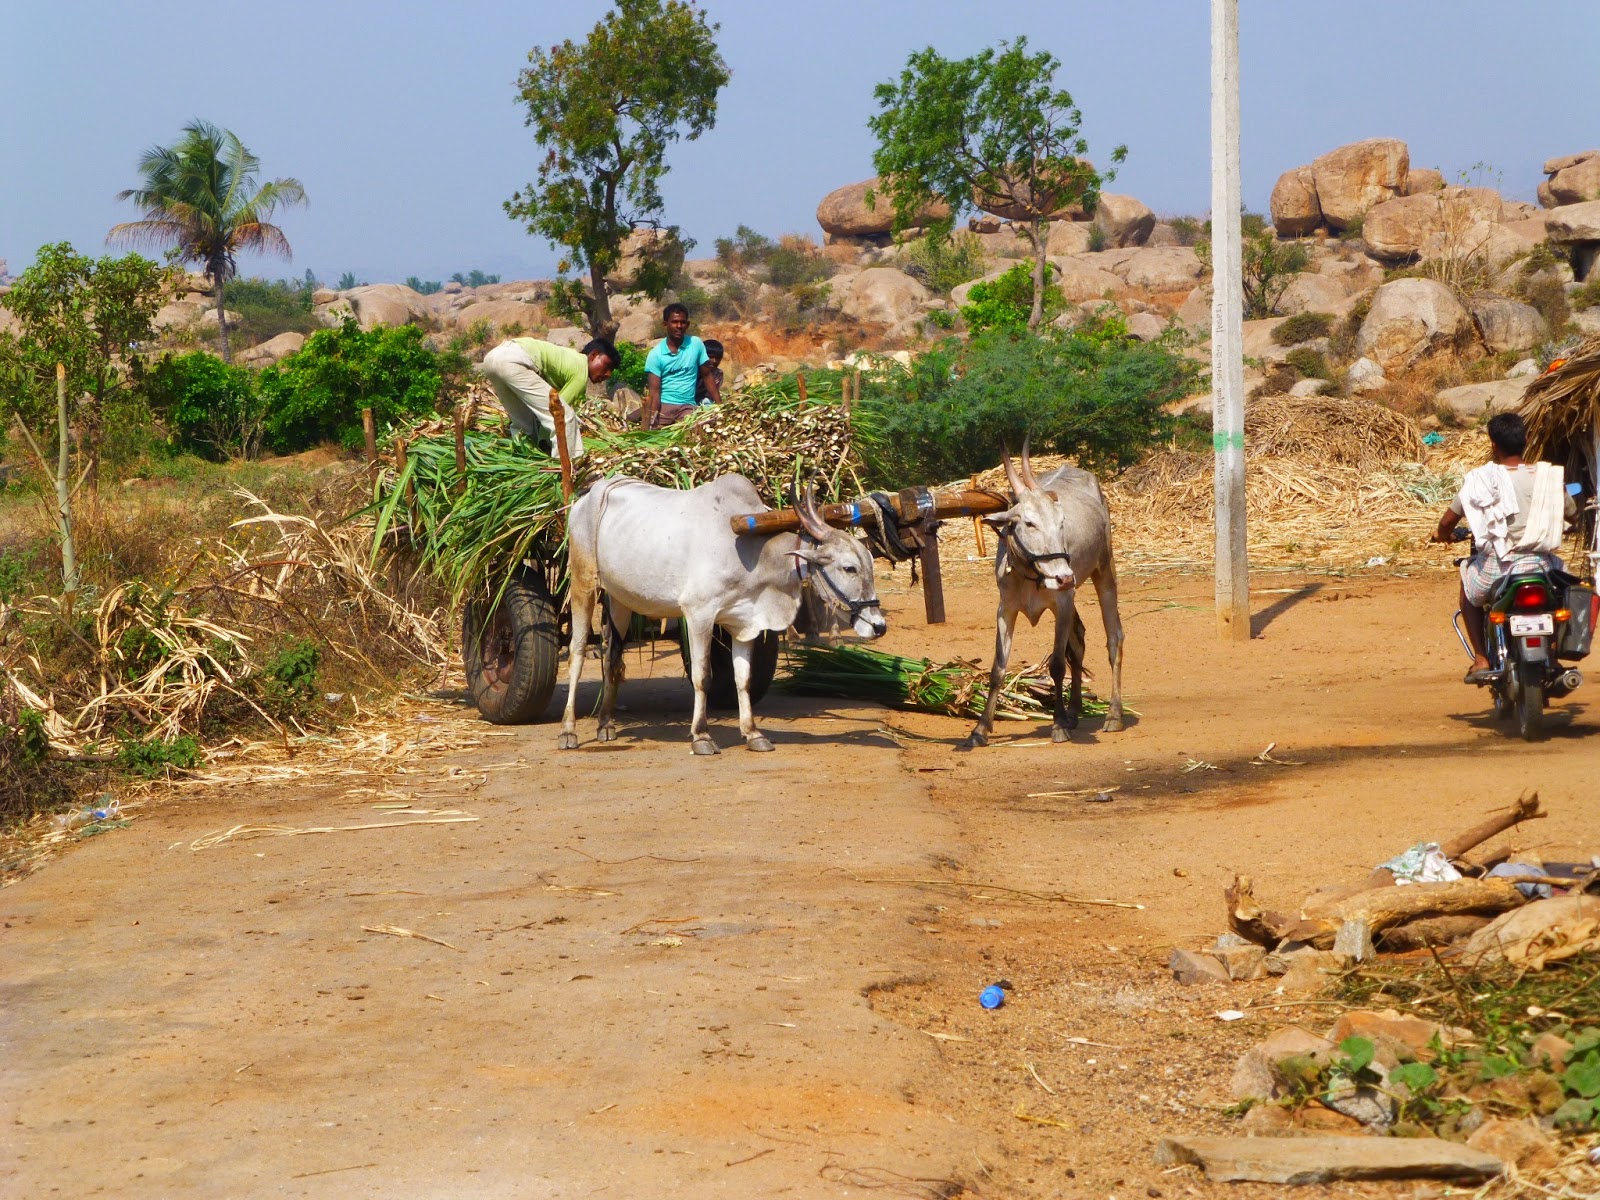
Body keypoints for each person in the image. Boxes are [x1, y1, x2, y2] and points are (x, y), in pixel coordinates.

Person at [1432, 412, 1577, 682]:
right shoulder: (1547, 477)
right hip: (1542, 565)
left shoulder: (1480, 480)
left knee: (1467, 590)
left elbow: (1447, 522)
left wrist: (1442, 536)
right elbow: (1573, 514)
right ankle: (1553, 653)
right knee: (1564, 593)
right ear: (1526, 440)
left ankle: (1481, 658)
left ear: (1494, 445)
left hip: (1498, 567)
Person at [479, 335, 620, 459]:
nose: (608, 374)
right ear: (594, 355)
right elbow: (557, 412)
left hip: (493, 358)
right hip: (515, 361)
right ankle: (568, 469)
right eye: (607, 366)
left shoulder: (568, 357)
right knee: (565, 417)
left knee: (523, 424)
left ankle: (524, 459)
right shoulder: (581, 371)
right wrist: (545, 442)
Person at [642, 303, 719, 428]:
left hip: (687, 407)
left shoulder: (696, 344)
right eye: (674, 322)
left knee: (694, 432)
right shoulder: (655, 355)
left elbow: (707, 375)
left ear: (687, 324)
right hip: (665, 406)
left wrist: (720, 406)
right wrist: (653, 419)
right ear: (665, 324)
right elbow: (654, 391)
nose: (679, 326)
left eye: (683, 322)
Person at [696, 338, 725, 406]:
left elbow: (711, 395)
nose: (714, 361)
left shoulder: (718, 374)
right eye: (710, 357)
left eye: (717, 358)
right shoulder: (692, 371)